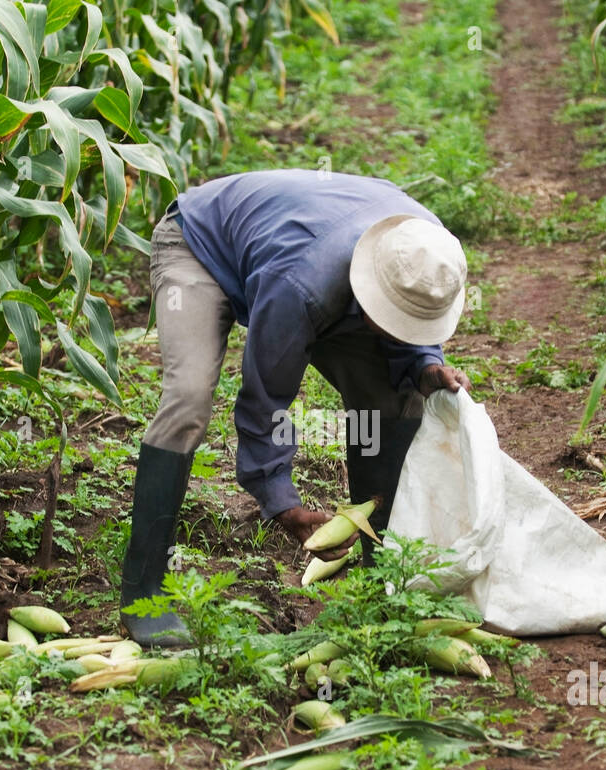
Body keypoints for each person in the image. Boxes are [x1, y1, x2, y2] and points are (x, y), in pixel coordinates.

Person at [119, 168, 471, 647]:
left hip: (301, 250)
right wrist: (281, 502)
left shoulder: (427, 250)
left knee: (395, 394)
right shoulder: (300, 287)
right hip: (198, 246)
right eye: (396, 320)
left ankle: (384, 573)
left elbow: (415, 332)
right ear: (370, 300)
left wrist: (427, 364)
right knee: (189, 397)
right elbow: (266, 398)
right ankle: (145, 593)